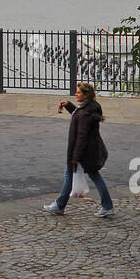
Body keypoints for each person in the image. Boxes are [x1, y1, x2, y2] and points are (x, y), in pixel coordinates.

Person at [44, 81, 114, 217]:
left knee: (76, 176)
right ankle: (60, 205)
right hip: (92, 150)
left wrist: (75, 157)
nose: (76, 94)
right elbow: (80, 117)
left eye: (78, 92)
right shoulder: (91, 108)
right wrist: (70, 106)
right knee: (79, 176)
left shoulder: (84, 113)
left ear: (86, 95)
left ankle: (107, 206)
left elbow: (81, 136)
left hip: (84, 152)